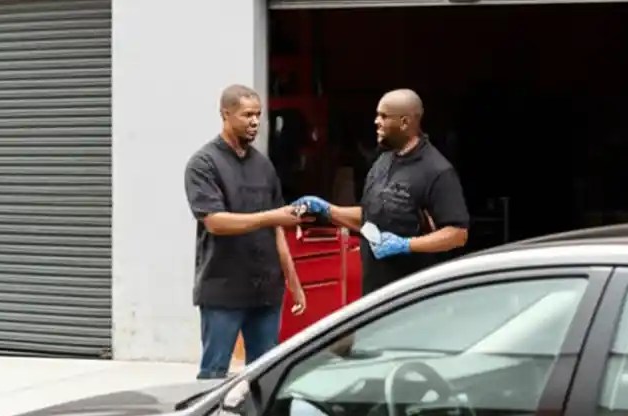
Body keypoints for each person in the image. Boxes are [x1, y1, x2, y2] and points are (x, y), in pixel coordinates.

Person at [184, 84, 309, 380]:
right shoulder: (203, 164)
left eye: (258, 115)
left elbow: (278, 229)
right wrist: (270, 217)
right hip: (223, 289)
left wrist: (293, 281)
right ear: (225, 115)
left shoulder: (263, 165)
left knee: (264, 375)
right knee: (214, 374)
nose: (254, 122)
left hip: (266, 290)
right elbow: (215, 222)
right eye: (247, 115)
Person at [297, 89, 469, 295]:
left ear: (405, 122)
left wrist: (406, 245)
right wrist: (329, 211)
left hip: (414, 295)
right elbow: (371, 216)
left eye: (384, 116)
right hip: (376, 294)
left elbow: (458, 234)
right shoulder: (383, 161)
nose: (376, 121)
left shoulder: (437, 171)